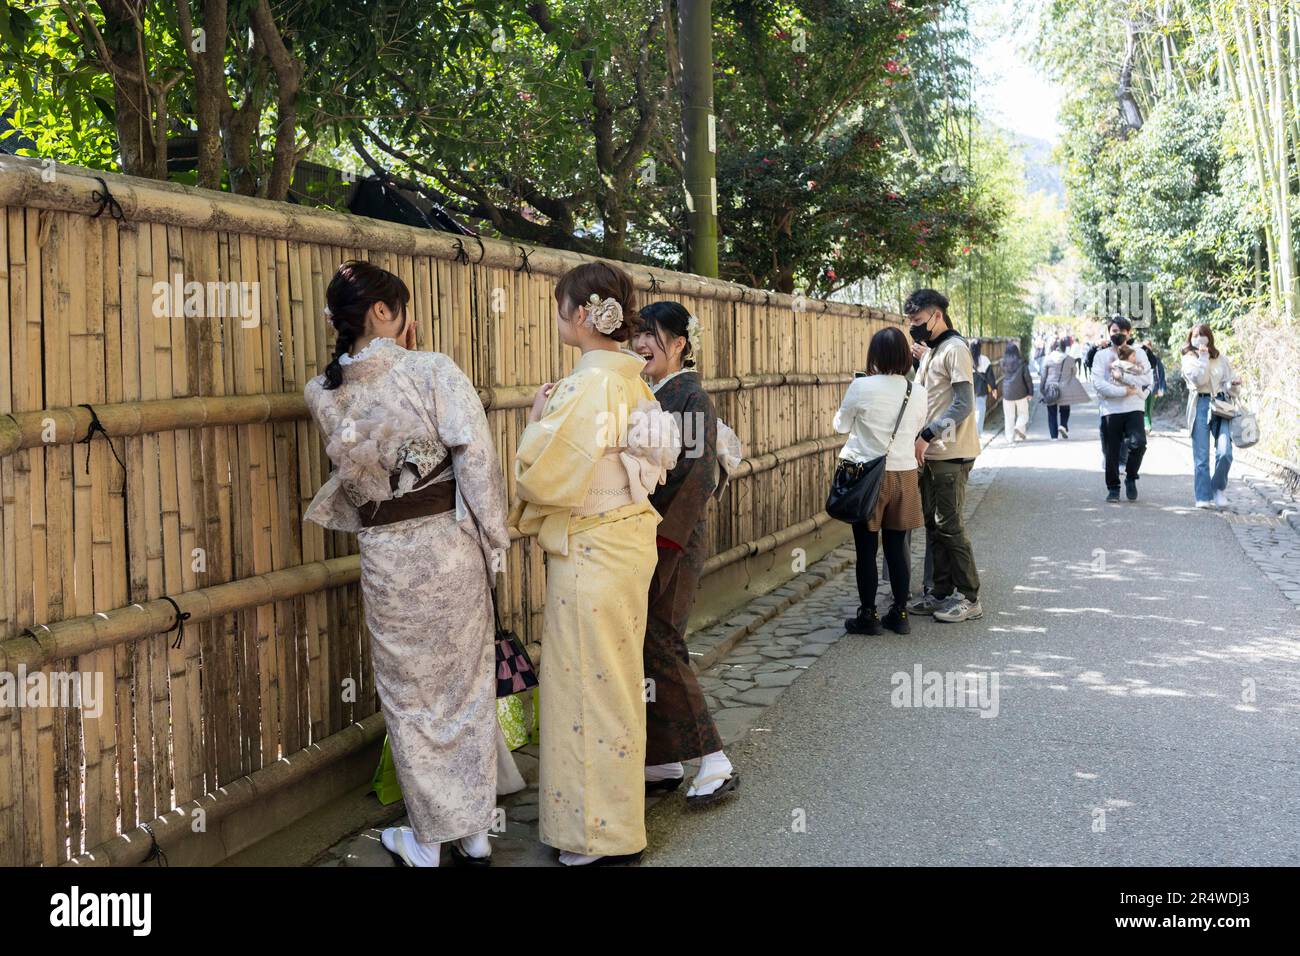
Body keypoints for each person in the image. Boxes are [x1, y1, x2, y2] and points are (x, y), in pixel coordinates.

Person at [303, 260, 511, 868]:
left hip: (386, 557)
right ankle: (471, 833)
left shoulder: (322, 392)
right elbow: (475, 457)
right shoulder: (432, 368)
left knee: (408, 694)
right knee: (467, 687)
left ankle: (428, 836)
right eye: (403, 307)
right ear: (384, 313)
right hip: (448, 546)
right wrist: (494, 536)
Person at [508, 262, 677, 866]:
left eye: (560, 307)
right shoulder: (631, 379)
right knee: (615, 684)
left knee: (586, 688)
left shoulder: (589, 384)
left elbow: (549, 475)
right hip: (625, 540)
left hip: (593, 547)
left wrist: (532, 426)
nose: (558, 318)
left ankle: (594, 836)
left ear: (582, 314)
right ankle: (616, 826)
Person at [632, 301, 739, 807]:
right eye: (635, 335)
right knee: (646, 640)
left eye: (650, 335)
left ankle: (714, 759)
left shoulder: (690, 396)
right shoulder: (651, 393)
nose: (640, 344)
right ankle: (664, 756)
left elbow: (697, 474)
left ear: (679, 342)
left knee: (663, 640)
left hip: (673, 535)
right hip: (649, 533)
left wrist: (665, 538)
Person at [834, 326, 929, 636]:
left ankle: (868, 614)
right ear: (904, 355)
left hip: (867, 475)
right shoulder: (918, 391)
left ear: (874, 355)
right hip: (904, 474)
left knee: (866, 548)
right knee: (898, 546)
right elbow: (917, 427)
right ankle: (900, 613)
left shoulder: (861, 387)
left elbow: (840, 425)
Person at [903, 289, 983, 623]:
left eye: (918, 321)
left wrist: (927, 434)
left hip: (951, 452)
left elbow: (963, 404)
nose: (913, 327)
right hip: (932, 454)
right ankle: (939, 593)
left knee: (949, 526)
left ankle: (969, 597)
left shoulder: (955, 349)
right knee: (935, 527)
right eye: (910, 322)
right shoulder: (934, 351)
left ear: (937, 316)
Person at [1091, 316, 1152, 502]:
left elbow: (1147, 379)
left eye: (1122, 331)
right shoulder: (1101, 356)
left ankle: (1131, 477)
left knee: (1139, 443)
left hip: (1134, 407)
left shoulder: (1139, 353)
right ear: (1109, 332)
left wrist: (1127, 381)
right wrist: (1123, 391)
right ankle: (1113, 488)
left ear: (1129, 333)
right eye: (1114, 331)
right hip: (1111, 409)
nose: (1118, 335)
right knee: (1112, 450)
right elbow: (1098, 383)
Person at [1180, 324, 1240, 509]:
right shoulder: (1189, 358)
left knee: (1225, 452)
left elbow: (1229, 384)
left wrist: (1233, 384)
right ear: (1191, 339)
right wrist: (1203, 357)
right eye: (1196, 336)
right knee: (1201, 455)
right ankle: (1203, 496)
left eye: (1203, 335)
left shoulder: (1221, 358)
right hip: (1200, 404)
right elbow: (1199, 380)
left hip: (1221, 404)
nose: (1199, 339)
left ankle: (1218, 488)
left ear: (1210, 337)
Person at [1039, 338, 1089, 439]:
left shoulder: (1047, 359)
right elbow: (1074, 372)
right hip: (1065, 387)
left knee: (1052, 413)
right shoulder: (1070, 359)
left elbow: (1043, 376)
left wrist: (1042, 390)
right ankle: (1063, 425)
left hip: (1051, 388)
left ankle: (1054, 437)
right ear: (1064, 347)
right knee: (1065, 409)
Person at [998, 342, 1034, 443]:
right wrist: (1030, 392)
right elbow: (1027, 379)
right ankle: (1019, 427)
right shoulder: (1021, 362)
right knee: (1023, 414)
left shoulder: (1002, 362)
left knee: (1009, 417)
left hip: (1007, 393)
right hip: (1021, 393)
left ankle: (1010, 438)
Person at [971, 339, 993, 434]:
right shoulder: (985, 359)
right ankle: (977, 432)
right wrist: (994, 388)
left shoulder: (966, 359)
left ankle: (971, 433)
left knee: (970, 412)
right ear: (980, 348)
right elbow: (990, 376)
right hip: (981, 389)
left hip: (969, 389)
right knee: (980, 411)